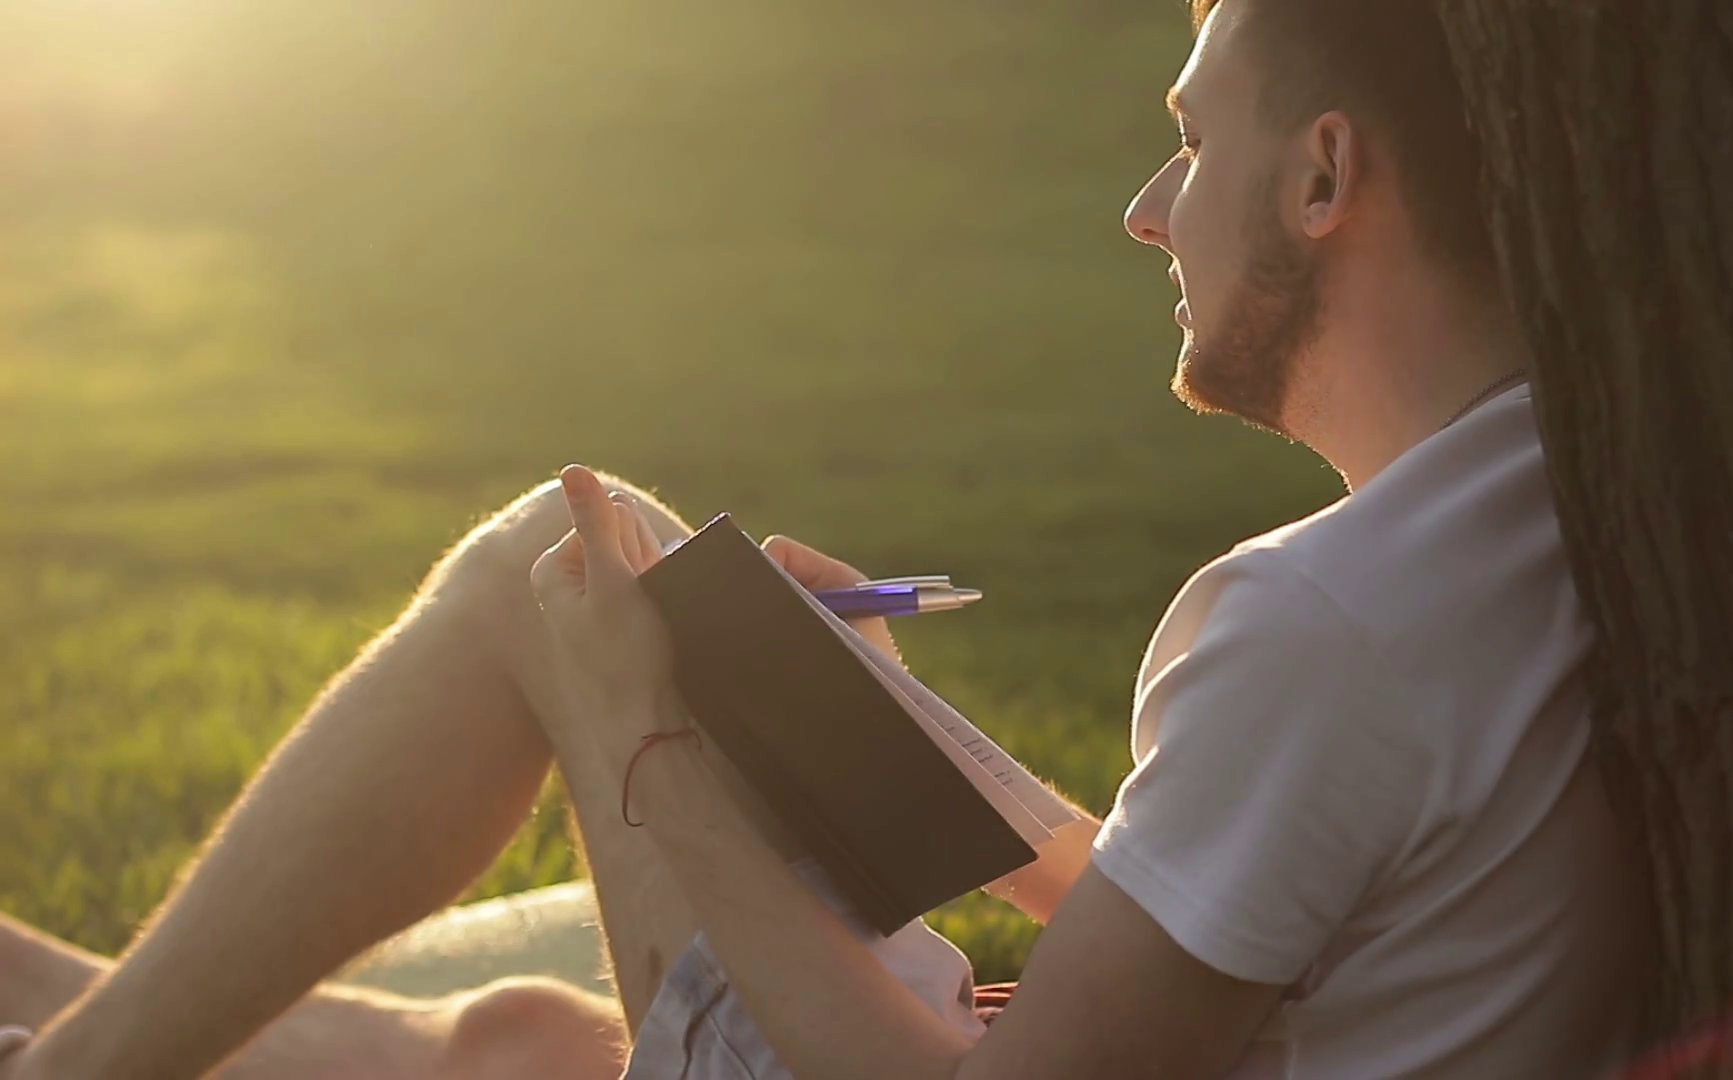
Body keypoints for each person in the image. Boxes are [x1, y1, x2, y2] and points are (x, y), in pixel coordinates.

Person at [0, 0, 1650, 1076]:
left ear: (1323, 179)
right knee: (528, 1046)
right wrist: (901, 729)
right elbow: (1222, 901)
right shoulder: (1528, 518)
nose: (1151, 206)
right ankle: (63, 1014)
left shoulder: (1322, 630)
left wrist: (653, 746)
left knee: (557, 572)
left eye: (1197, 138)